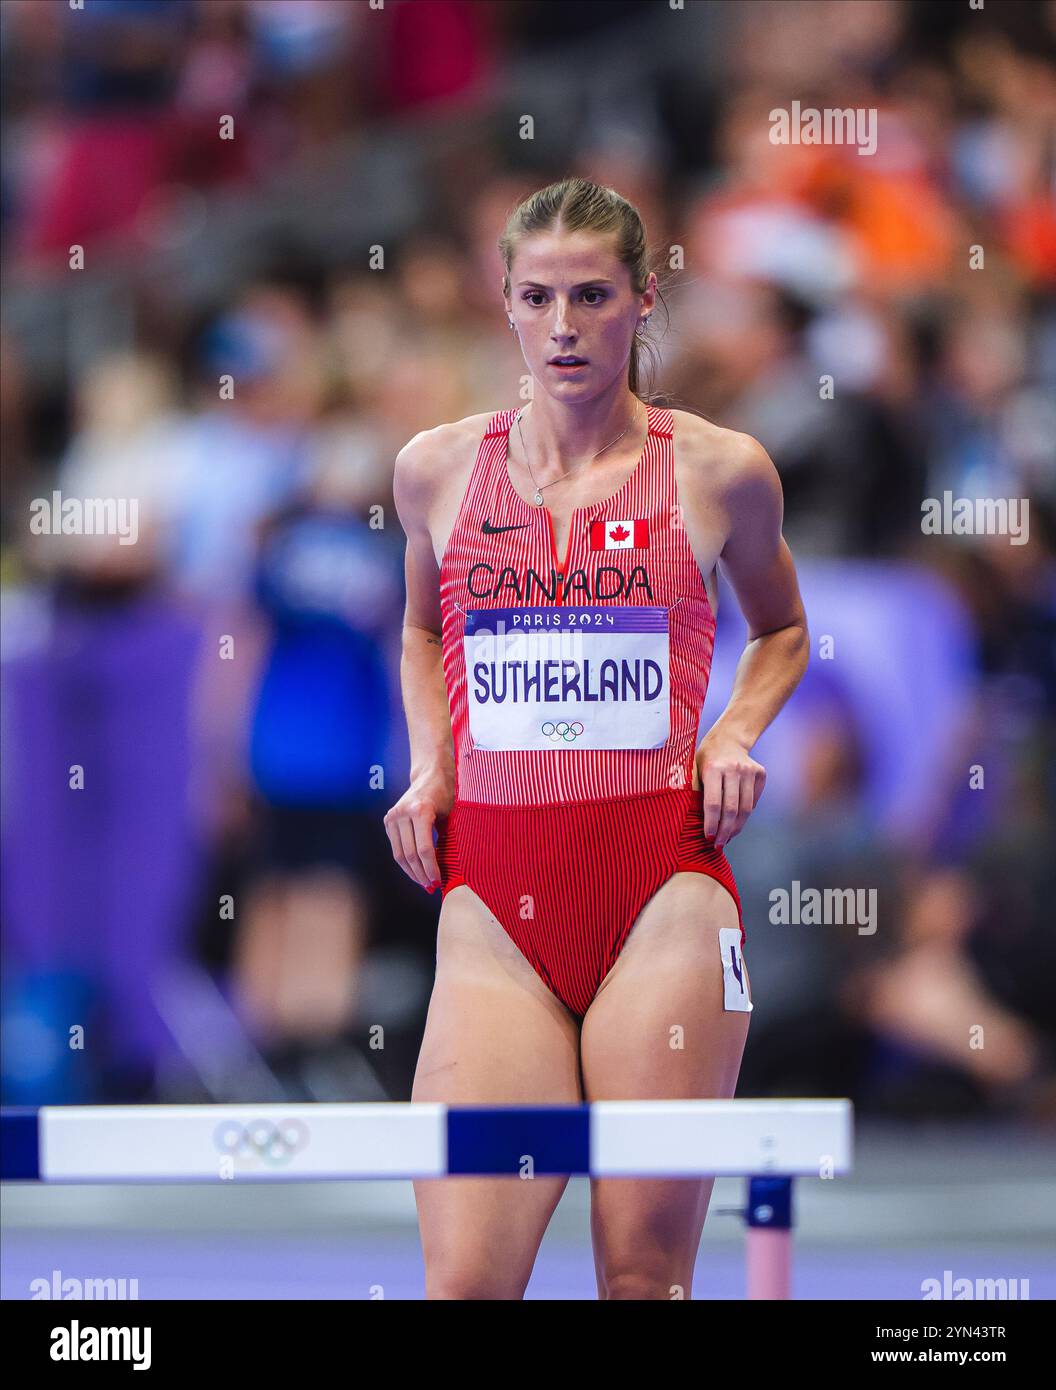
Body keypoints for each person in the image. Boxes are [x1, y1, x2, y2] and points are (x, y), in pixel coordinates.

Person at [385, 178, 809, 1300]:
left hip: (661, 890)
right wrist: (430, 760)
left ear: (642, 301)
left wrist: (735, 731)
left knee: (639, 1277)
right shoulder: (435, 469)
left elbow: (785, 630)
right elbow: (423, 636)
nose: (564, 327)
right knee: (466, 1285)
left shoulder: (722, 470)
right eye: (538, 297)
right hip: (493, 900)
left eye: (592, 296)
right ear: (506, 304)